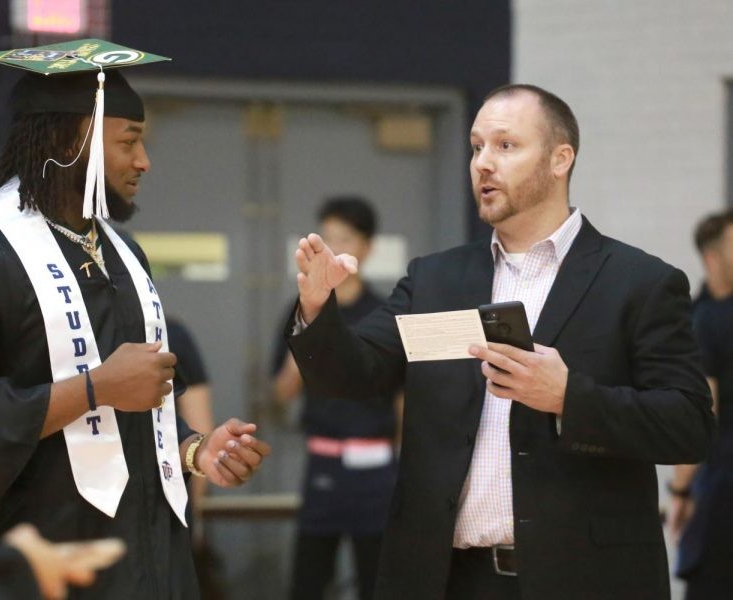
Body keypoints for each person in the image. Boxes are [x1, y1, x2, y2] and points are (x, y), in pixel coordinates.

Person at [286, 84, 714, 599]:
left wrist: (568, 397)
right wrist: (316, 309)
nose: (483, 163)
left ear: (561, 159)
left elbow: (688, 425)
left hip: (584, 582)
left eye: (505, 146)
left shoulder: (639, 283)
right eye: (476, 147)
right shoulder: (436, 279)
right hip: (445, 580)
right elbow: (352, 374)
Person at [0, 39, 270, 599]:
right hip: (41, 562)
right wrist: (94, 389)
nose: (143, 161)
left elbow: (147, 402)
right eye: (130, 141)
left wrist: (196, 449)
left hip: (150, 557)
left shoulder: (123, 256)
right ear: (74, 140)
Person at [272, 197, 399, 600]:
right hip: (323, 463)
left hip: (377, 467)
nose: (333, 246)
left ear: (367, 247)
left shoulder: (385, 312)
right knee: (307, 581)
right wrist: (309, 334)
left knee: (377, 582)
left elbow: (403, 398)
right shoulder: (300, 310)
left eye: (344, 238)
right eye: (326, 238)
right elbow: (279, 394)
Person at [669, 210, 733, 599]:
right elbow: (700, 411)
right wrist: (681, 491)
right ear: (712, 258)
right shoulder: (703, 319)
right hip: (722, 486)